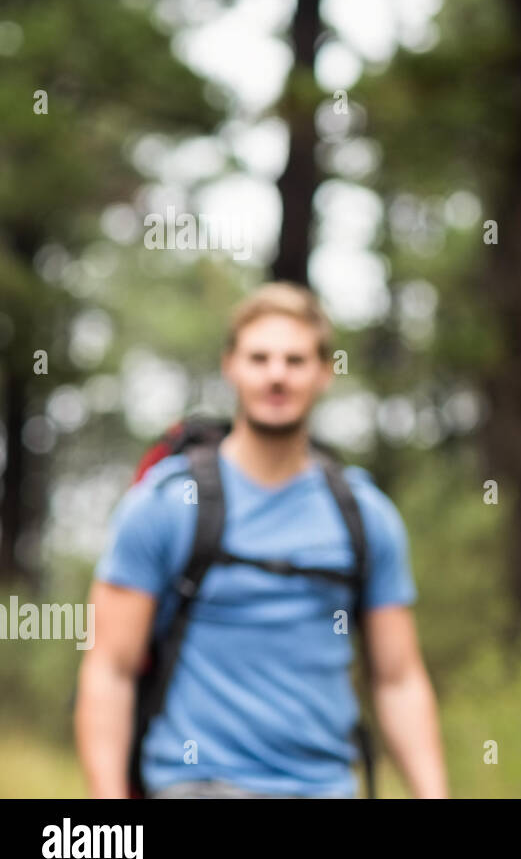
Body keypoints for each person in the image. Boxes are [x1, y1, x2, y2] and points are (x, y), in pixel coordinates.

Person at [75, 282, 448, 798]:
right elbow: (109, 670)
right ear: (231, 366)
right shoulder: (164, 506)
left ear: (325, 371)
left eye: (295, 360)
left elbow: (399, 679)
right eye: (260, 358)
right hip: (199, 784)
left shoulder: (366, 516)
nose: (277, 374)